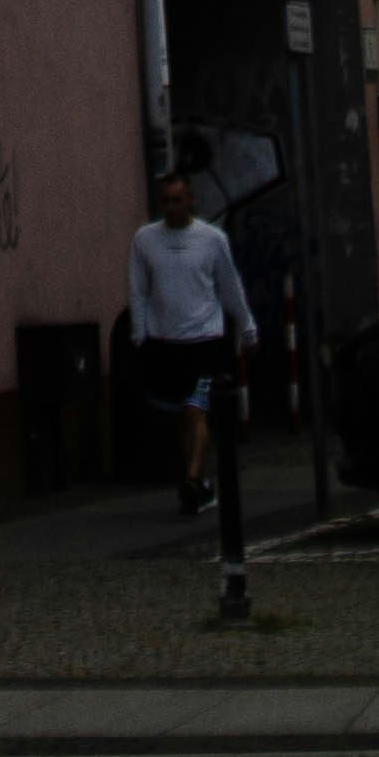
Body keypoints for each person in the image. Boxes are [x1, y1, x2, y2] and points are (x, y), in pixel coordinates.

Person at [129, 161, 255, 515]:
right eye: (166, 201)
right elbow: (139, 290)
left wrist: (247, 327)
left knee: (195, 410)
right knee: (184, 418)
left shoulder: (212, 240)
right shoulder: (145, 240)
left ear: (191, 200)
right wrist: (140, 332)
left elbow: (230, 288)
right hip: (167, 343)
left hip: (205, 340)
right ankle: (199, 484)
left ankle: (191, 478)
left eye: (178, 200)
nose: (172, 207)